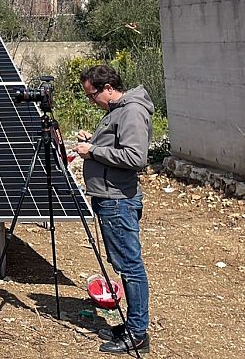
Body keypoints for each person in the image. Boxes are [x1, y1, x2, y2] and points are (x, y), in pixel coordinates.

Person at [74, 64, 154, 354]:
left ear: (108, 88)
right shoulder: (117, 111)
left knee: (131, 267)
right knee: (123, 264)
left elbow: (135, 157)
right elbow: (116, 146)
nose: (92, 101)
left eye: (92, 95)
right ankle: (135, 324)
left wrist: (92, 151)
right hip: (110, 198)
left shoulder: (131, 111)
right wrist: (92, 141)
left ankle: (137, 333)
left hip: (118, 200)